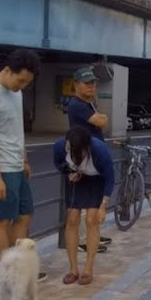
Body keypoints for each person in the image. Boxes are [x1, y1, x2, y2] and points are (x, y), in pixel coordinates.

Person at [0, 48, 46, 281]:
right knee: (0, 221)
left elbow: (17, 129)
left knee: (25, 215)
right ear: (7, 70)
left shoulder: (16, 93)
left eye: (27, 83)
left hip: (16, 166)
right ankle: (7, 275)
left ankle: (19, 266)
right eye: (20, 80)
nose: (22, 86)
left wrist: (24, 159)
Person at [52, 126, 115, 286]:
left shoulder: (99, 150)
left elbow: (110, 178)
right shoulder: (59, 146)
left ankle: (88, 268)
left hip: (96, 180)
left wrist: (103, 206)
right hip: (76, 178)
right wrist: (69, 172)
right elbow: (58, 163)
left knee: (91, 219)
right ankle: (73, 269)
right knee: (72, 218)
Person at [66, 66, 111, 254]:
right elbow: (101, 121)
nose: (91, 86)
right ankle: (84, 240)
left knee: (93, 198)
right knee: (84, 202)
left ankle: (93, 234)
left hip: (93, 155)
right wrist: (101, 117)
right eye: (86, 83)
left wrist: (101, 117)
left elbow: (101, 120)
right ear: (76, 85)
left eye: (93, 83)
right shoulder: (77, 105)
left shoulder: (89, 104)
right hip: (82, 157)